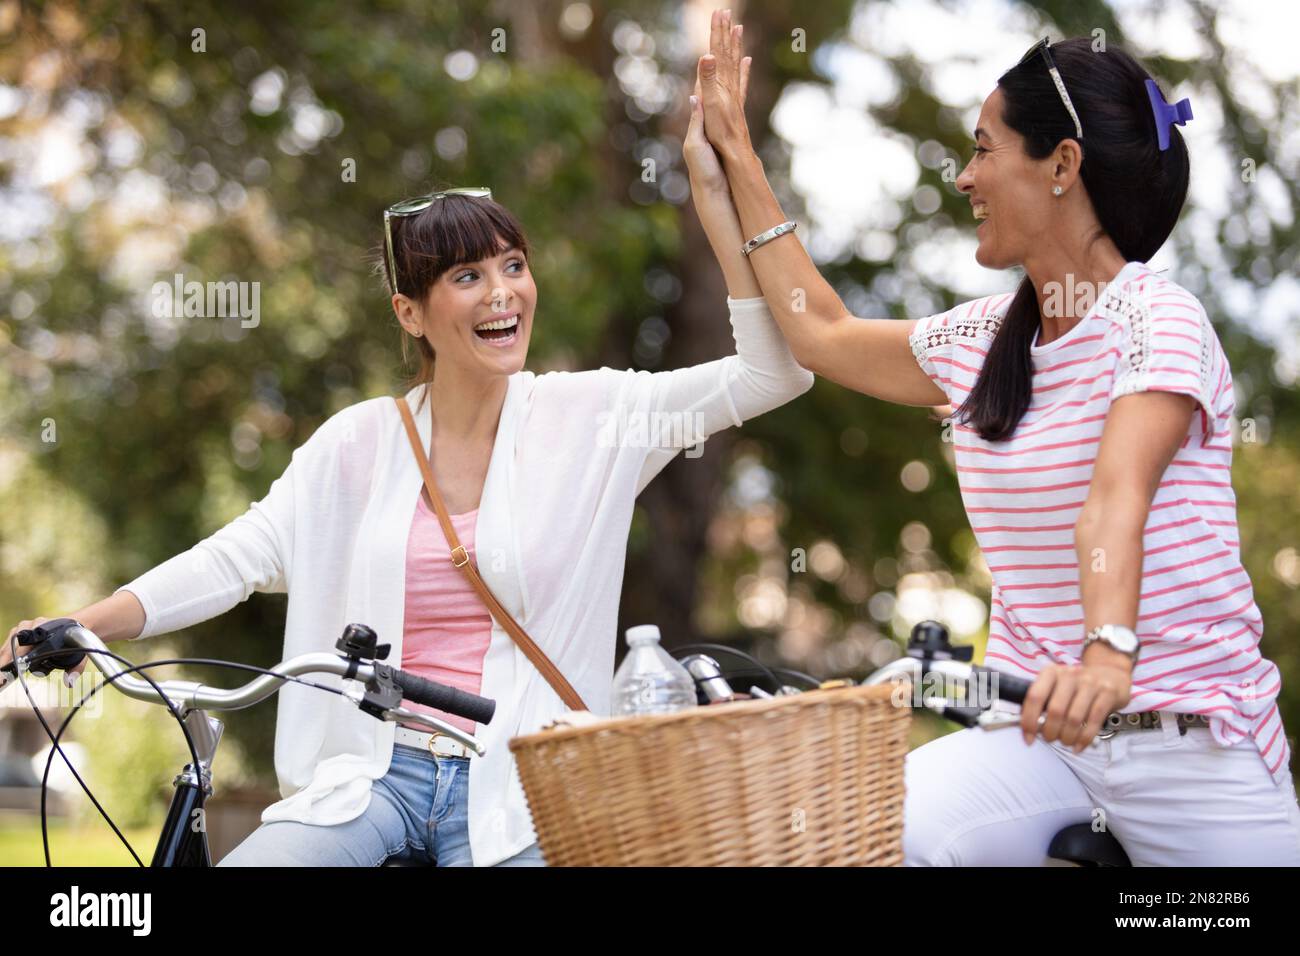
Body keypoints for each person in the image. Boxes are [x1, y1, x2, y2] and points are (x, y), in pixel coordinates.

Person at [2, 67, 813, 866]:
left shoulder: (596, 416)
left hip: (529, 789)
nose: (503, 293)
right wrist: (82, 624)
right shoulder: (356, 444)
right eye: (467, 276)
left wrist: (720, 187)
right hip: (369, 777)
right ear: (411, 312)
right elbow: (239, 557)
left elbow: (777, 372)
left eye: (512, 266)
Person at [694, 9, 1300, 864]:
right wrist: (737, 159)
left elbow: (1114, 501)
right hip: (1042, 742)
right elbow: (820, 333)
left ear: (1062, 165)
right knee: (864, 831)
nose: (965, 176)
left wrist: (1104, 655)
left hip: (1193, 749)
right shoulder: (978, 342)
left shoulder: (1157, 319)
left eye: (983, 148)